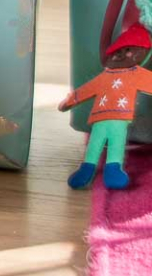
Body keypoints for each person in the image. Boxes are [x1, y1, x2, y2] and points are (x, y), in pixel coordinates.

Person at [59, 21, 152, 190]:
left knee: (116, 142)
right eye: (119, 51)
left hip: (119, 118)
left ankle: (113, 170)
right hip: (100, 117)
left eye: (128, 50)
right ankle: (87, 168)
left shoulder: (136, 74)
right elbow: (88, 89)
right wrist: (69, 101)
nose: (123, 54)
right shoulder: (106, 75)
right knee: (95, 143)